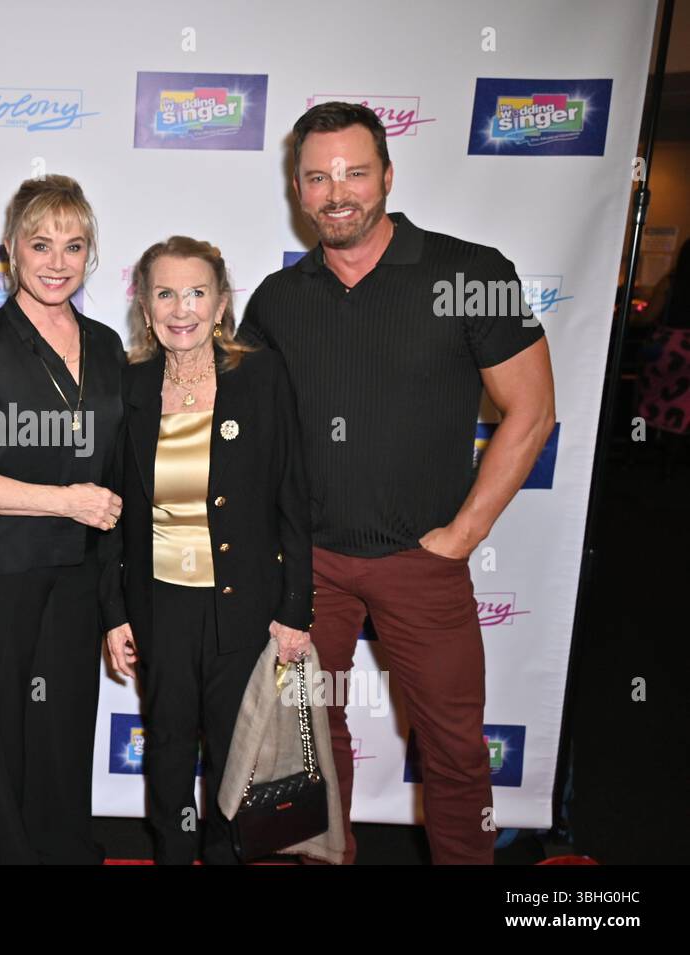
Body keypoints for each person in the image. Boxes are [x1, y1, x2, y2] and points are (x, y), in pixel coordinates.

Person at [237, 102, 556, 864]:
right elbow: (237, 424)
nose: (335, 191)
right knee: (308, 741)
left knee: (452, 747)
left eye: (352, 172)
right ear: (297, 187)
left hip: (424, 562)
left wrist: (461, 537)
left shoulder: (469, 272)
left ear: (387, 174)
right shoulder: (278, 299)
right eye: (318, 177)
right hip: (310, 569)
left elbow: (533, 410)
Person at [101, 236, 313, 864]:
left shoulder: (262, 375)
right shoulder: (130, 383)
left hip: (243, 606)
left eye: (197, 292)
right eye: (165, 293)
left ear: (222, 303)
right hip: (159, 605)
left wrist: (297, 609)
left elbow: (292, 496)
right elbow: (112, 512)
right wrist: (113, 612)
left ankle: (225, 856)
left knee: (233, 751)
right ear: (145, 306)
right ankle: (172, 853)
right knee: (166, 747)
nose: (181, 308)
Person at [0, 175, 124, 864]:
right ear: (12, 249)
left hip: (78, 573)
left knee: (64, 731)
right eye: (40, 243)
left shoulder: (106, 346)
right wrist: (65, 499)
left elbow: (119, 474)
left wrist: (117, 601)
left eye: (73, 245)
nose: (57, 260)